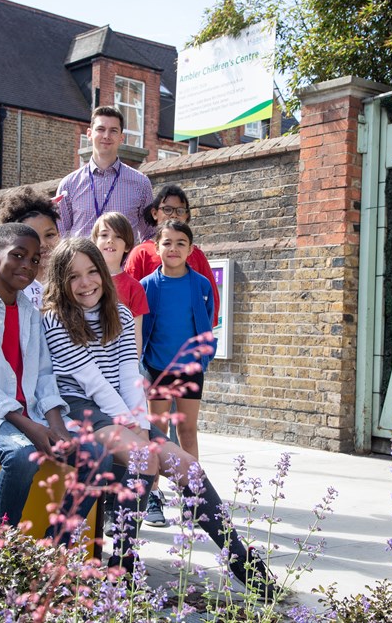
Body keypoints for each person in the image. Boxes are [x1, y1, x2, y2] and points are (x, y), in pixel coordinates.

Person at [41, 238, 279, 598]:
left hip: (120, 408)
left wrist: (136, 417)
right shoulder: (54, 320)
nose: (86, 282)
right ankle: (121, 564)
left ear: (104, 274)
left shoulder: (119, 313)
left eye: (93, 272)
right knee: (143, 456)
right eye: (74, 276)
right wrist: (131, 422)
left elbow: (127, 371)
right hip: (79, 407)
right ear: (61, 281)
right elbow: (90, 379)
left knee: (187, 468)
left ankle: (240, 560)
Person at [0, 223, 111, 533]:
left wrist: (57, 427)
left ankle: (57, 544)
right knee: (23, 454)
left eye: (35, 259)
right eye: (18, 255)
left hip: (34, 415)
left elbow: (45, 376)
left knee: (98, 456)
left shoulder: (31, 314)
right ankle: (0, 548)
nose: (27, 265)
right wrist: (32, 428)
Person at [140, 220, 216, 522]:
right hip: (157, 368)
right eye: (167, 242)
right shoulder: (147, 285)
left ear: (191, 249)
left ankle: (192, 494)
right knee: (155, 433)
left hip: (191, 371)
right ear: (157, 247)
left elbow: (205, 321)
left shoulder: (201, 285)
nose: (173, 248)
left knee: (187, 430)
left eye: (180, 243)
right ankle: (153, 494)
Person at [124, 184, 219, 326]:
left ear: (186, 216)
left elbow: (212, 300)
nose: (174, 215)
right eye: (167, 209)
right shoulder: (140, 254)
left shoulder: (196, 255)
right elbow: (128, 299)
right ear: (155, 213)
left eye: (180, 210)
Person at [55, 106, 153, 241]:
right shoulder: (68, 185)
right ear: (89, 134)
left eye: (113, 131)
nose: (106, 136)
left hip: (123, 262)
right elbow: (61, 237)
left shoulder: (141, 184)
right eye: (101, 129)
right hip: (81, 261)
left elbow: (149, 235)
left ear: (121, 137)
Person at [90, 211, 148, 354]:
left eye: (118, 236)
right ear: (94, 241)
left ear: (127, 246)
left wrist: (133, 369)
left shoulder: (135, 288)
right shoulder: (84, 280)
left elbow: (136, 335)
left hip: (120, 362)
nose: (110, 240)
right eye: (104, 235)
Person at [0, 187, 61, 309]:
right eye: (33, 236)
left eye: (50, 235)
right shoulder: (4, 286)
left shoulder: (71, 279)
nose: (42, 244)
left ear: (59, 234)